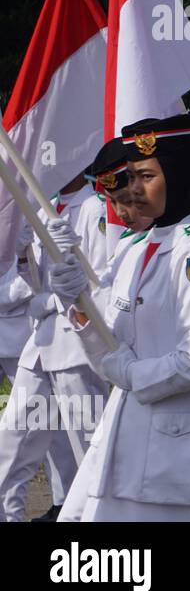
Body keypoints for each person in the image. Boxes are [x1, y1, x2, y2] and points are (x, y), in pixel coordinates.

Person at [53, 115, 190, 521]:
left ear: (180, 175)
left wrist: (131, 374)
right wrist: (77, 300)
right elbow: (111, 342)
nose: (134, 188)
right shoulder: (134, 248)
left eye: (147, 176)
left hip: (177, 460)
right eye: (132, 176)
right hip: (127, 444)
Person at [0, 170, 102, 521]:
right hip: (40, 344)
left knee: (88, 452)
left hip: (76, 346)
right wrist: (25, 258)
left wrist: (50, 300)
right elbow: (34, 283)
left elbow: (101, 285)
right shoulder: (46, 211)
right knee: (11, 445)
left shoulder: (94, 209)